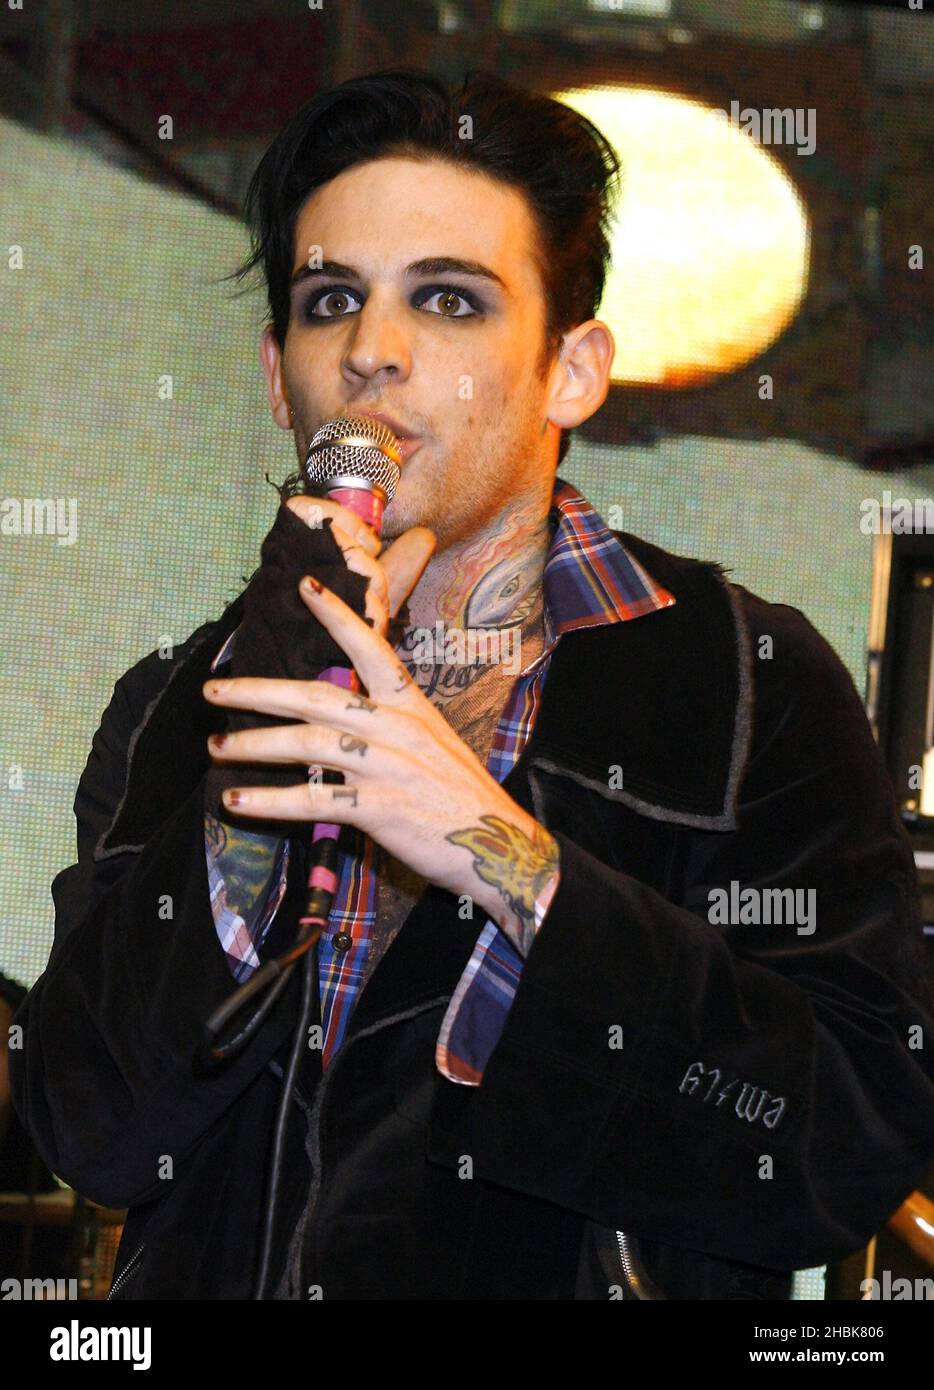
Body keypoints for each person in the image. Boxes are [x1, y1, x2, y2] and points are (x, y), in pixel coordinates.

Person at [10, 68, 934, 1301]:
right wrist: (254, 766)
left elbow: (840, 1147)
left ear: (571, 371)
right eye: (328, 300)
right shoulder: (185, 699)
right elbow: (93, 1135)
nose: (371, 353)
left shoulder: (743, 684)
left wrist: (505, 859)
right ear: (281, 376)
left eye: (446, 299)